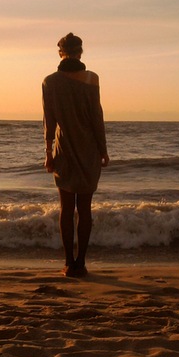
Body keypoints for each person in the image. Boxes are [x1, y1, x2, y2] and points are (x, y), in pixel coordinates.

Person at [42, 32, 109, 277]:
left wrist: (48, 152)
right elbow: (96, 117)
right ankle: (81, 263)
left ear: (60, 53)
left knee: (67, 209)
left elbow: (49, 120)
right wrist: (103, 150)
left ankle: (69, 263)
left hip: (64, 150)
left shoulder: (50, 82)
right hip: (89, 150)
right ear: (80, 52)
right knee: (85, 209)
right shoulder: (92, 78)